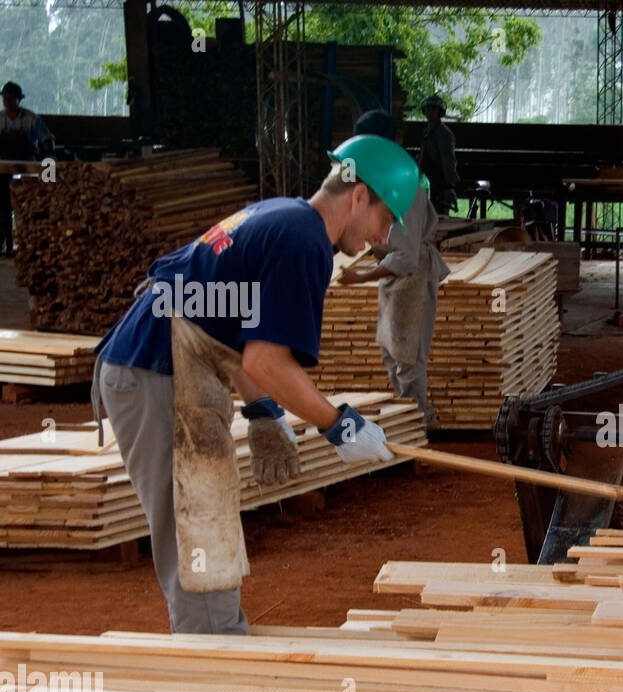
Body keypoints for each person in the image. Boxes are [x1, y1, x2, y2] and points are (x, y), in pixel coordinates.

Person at [92, 134, 418, 635]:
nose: (383, 236)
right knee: (196, 521)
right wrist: (339, 425)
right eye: (385, 219)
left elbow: (241, 331)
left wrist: (263, 411)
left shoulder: (286, 217)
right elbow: (267, 360)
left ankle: (217, 642)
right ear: (359, 196)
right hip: (156, 368)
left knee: (208, 510)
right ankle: (214, 658)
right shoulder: (305, 243)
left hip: (164, 362)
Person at [338, 110, 448, 436]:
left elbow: (406, 256)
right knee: (390, 351)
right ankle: (411, 421)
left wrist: (360, 278)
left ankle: (418, 428)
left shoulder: (405, 185)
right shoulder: (372, 183)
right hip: (390, 277)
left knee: (408, 359)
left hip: (411, 276)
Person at [0, 81, 54, 256]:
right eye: (4, 99)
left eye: (11, 99)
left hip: (27, 165)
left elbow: (47, 141)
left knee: (27, 203)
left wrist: (47, 166)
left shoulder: (31, 119)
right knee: (3, 205)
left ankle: (29, 244)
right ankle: (5, 243)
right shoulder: (0, 119)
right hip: (4, 166)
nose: (7, 102)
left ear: (18, 100)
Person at [418, 95, 459, 215]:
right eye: (427, 108)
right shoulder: (427, 132)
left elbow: (448, 161)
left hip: (440, 184)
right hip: (427, 181)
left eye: (433, 109)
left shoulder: (444, 134)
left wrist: (448, 185)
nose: (429, 112)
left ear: (440, 112)